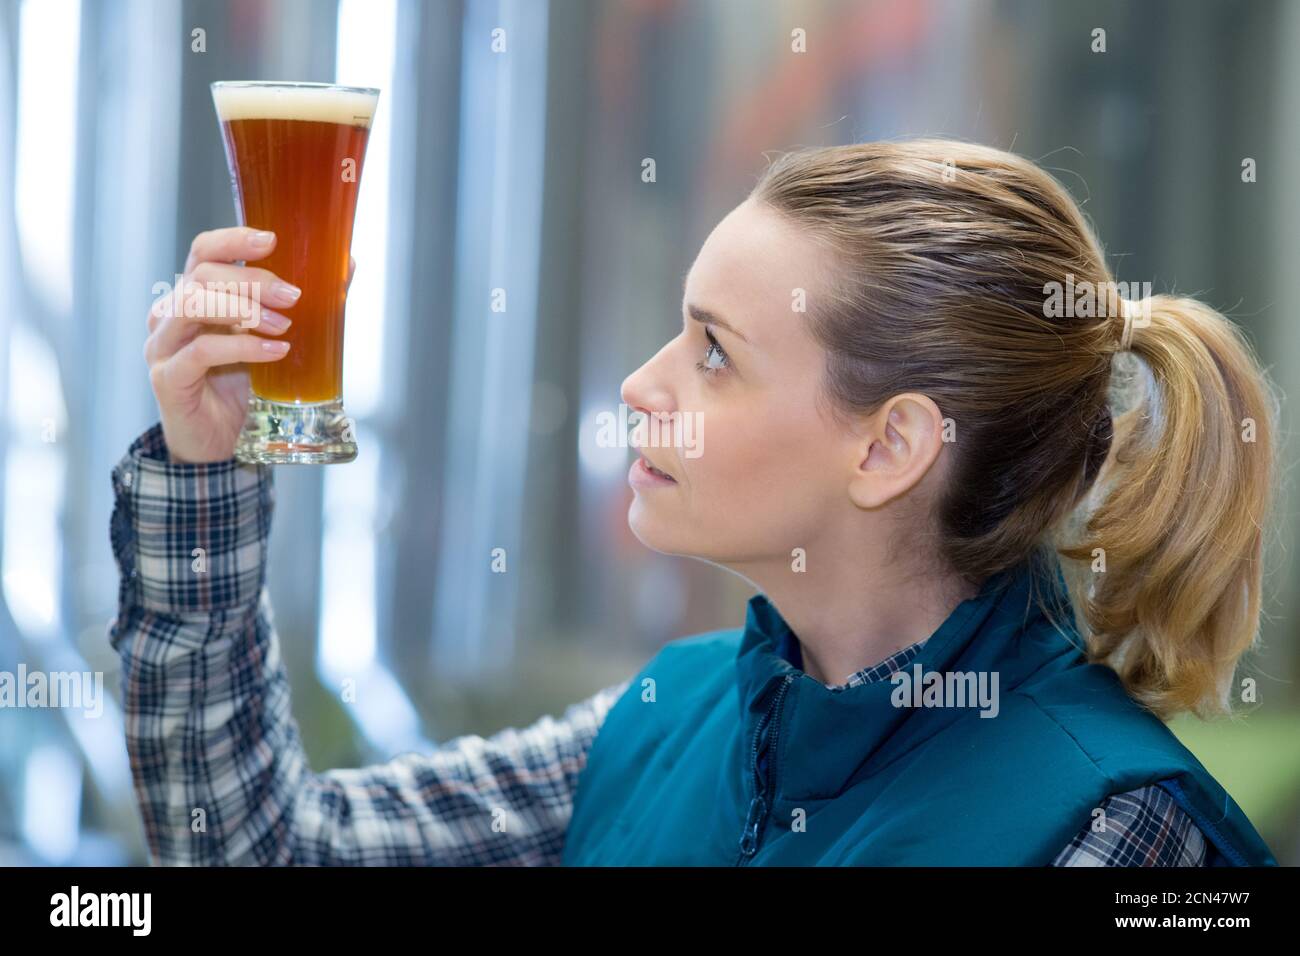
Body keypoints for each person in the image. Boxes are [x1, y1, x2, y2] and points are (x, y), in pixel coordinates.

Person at [110, 140, 1278, 866]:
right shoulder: (669, 716)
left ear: (890, 447)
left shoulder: (1116, 830)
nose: (639, 383)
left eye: (712, 351)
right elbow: (263, 848)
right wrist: (205, 474)